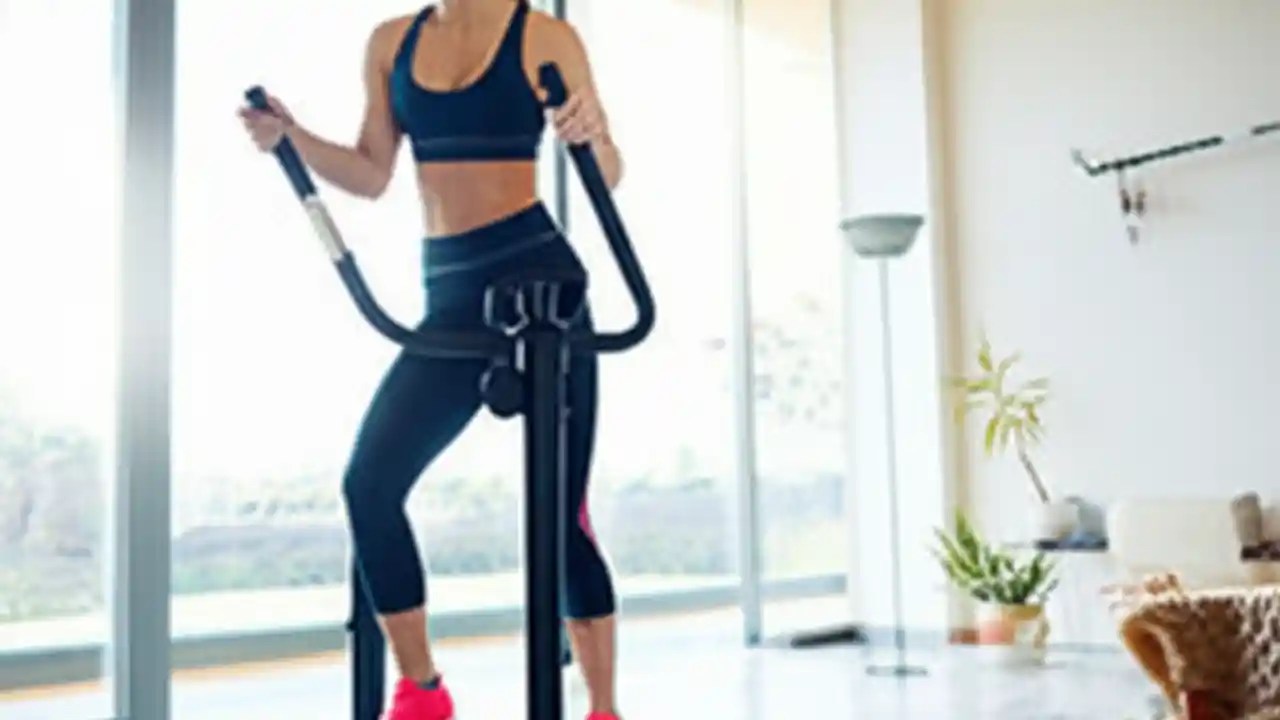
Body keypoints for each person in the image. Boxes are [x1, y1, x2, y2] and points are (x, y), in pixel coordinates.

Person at [239, 2, 623, 719]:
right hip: (449, 296)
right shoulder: (392, 43)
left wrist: (591, 135)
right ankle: (422, 690)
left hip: (541, 284)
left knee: (559, 513)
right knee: (370, 482)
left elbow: (609, 170)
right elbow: (370, 171)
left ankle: (602, 707)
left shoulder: (543, 36)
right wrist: (289, 138)